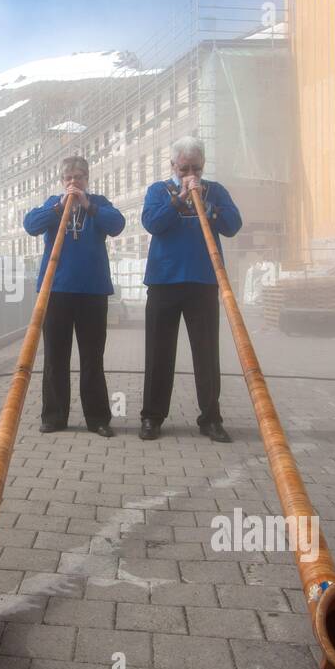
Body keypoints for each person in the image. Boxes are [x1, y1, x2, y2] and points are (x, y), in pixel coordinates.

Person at [139, 137, 242, 442]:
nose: (189, 174)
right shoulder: (158, 191)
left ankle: (210, 418)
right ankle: (152, 417)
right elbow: (152, 223)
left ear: (203, 166)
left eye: (195, 168)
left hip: (204, 281)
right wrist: (178, 200)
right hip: (163, 281)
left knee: (207, 353)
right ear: (172, 166)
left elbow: (233, 225)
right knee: (158, 353)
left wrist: (209, 208)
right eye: (184, 168)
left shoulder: (216, 191)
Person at [23, 155, 125, 436]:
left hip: (92, 291)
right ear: (62, 181)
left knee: (93, 357)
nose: (73, 181)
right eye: (68, 178)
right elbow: (31, 225)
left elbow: (117, 225)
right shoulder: (52, 204)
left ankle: (98, 418)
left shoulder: (99, 203)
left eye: (78, 177)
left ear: (87, 179)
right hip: (55, 291)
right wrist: (58, 208)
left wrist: (87, 205)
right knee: (55, 356)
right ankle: (54, 416)